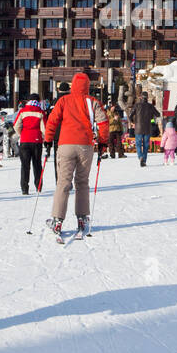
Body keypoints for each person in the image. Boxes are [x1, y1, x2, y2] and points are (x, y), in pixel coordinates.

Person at [43, 71, 109, 239]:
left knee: (63, 182)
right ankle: (82, 217)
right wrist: (102, 142)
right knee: (82, 182)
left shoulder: (63, 100)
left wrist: (48, 139)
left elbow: (52, 120)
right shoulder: (92, 102)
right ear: (87, 86)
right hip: (85, 146)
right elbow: (103, 122)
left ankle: (57, 219)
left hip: (65, 144)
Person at [13, 95, 47, 195]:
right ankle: (38, 186)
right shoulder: (40, 112)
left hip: (24, 140)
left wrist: (22, 134)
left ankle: (24, 188)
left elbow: (16, 125)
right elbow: (44, 128)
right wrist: (42, 136)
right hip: (36, 141)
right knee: (37, 164)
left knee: (25, 165)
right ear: (38, 101)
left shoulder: (22, 111)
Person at [130, 91, 159, 167]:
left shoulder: (137, 105)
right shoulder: (150, 106)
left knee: (138, 144)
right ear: (147, 98)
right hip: (147, 129)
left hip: (138, 128)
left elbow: (130, 115)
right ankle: (144, 161)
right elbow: (158, 114)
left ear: (141, 97)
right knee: (146, 146)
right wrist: (151, 117)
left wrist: (133, 122)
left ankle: (141, 157)